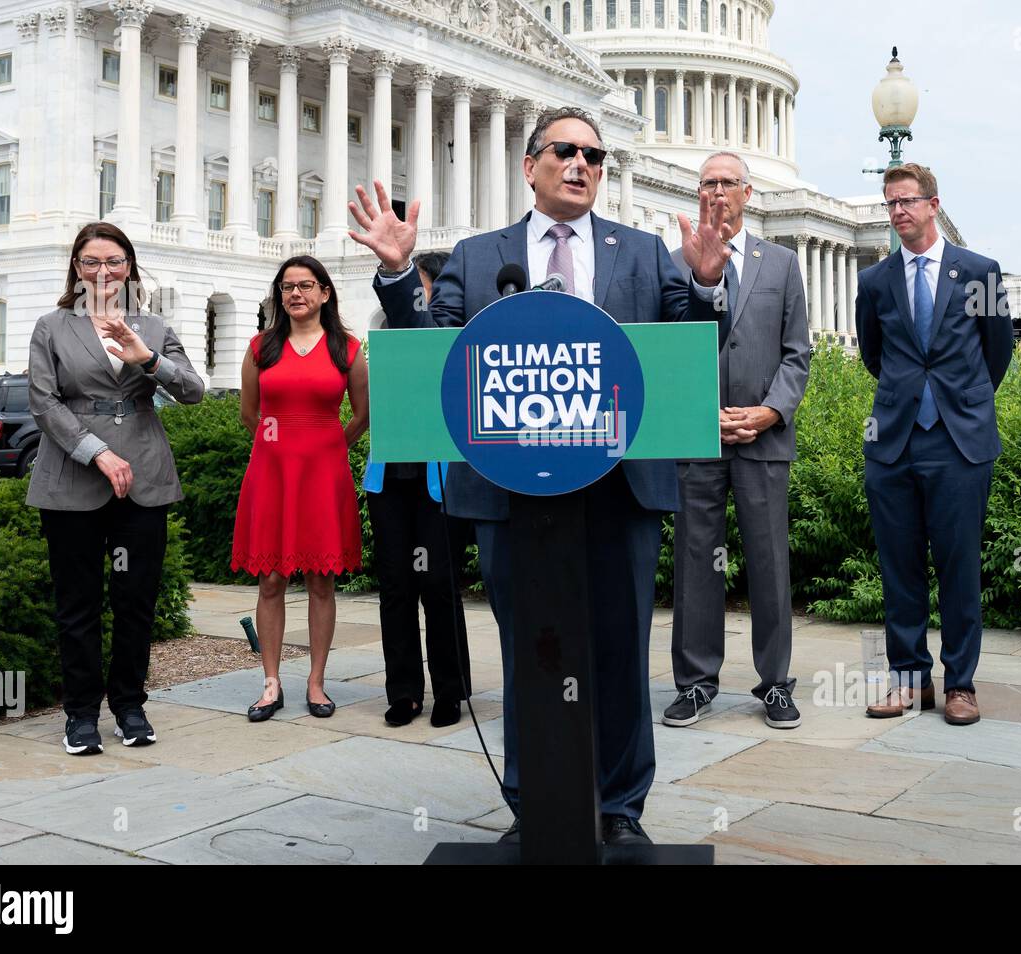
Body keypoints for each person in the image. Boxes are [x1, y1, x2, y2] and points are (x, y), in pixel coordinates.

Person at [348, 105, 732, 847]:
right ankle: (534, 807)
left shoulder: (645, 252)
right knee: (533, 649)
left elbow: (687, 340)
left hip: (619, 486)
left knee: (621, 651)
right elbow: (436, 350)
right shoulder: (477, 252)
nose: (583, 165)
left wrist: (708, 284)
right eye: (566, 151)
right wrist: (399, 275)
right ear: (531, 166)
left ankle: (620, 810)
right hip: (510, 486)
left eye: (595, 156)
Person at [27, 222, 205, 755]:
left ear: (129, 265)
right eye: (90, 262)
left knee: (135, 601)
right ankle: (80, 714)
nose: (102, 271)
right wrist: (96, 452)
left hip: (144, 480)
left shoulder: (151, 324)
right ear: (76, 269)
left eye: (113, 261)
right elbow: (43, 402)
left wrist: (145, 357)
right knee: (77, 603)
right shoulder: (52, 326)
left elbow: (194, 391)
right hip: (73, 481)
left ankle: (129, 705)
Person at [856, 163, 1014, 725]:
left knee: (959, 566)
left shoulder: (979, 272)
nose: (898, 212)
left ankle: (960, 686)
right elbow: (873, 355)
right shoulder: (875, 281)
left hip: (959, 443)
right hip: (894, 443)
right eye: (890, 203)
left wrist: (960, 404)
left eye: (907, 201)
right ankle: (908, 682)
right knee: (899, 568)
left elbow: (998, 352)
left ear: (933, 204)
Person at [664, 151, 812, 730]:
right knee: (696, 562)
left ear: (748, 193)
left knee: (770, 563)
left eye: (728, 183)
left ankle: (775, 682)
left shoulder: (781, 264)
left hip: (764, 439)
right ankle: (696, 683)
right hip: (699, 438)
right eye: (708, 184)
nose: (717, 193)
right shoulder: (675, 263)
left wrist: (770, 412)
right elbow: (669, 352)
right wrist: (702, 413)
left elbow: (797, 353)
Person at [231, 256, 370, 722]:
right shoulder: (260, 347)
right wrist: (281, 444)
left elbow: (362, 415)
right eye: (287, 287)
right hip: (271, 472)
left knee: (321, 580)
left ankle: (316, 681)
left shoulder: (347, 349)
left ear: (325, 293)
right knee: (270, 579)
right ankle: (270, 683)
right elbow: (249, 414)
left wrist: (327, 445)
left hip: (323, 475)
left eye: (306, 285)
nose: (295, 294)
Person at [363, 251, 473, 729]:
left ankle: (452, 690)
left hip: (438, 480)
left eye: (426, 287)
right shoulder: (387, 338)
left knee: (439, 585)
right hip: (389, 478)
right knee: (396, 587)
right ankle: (404, 691)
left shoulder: (456, 339)